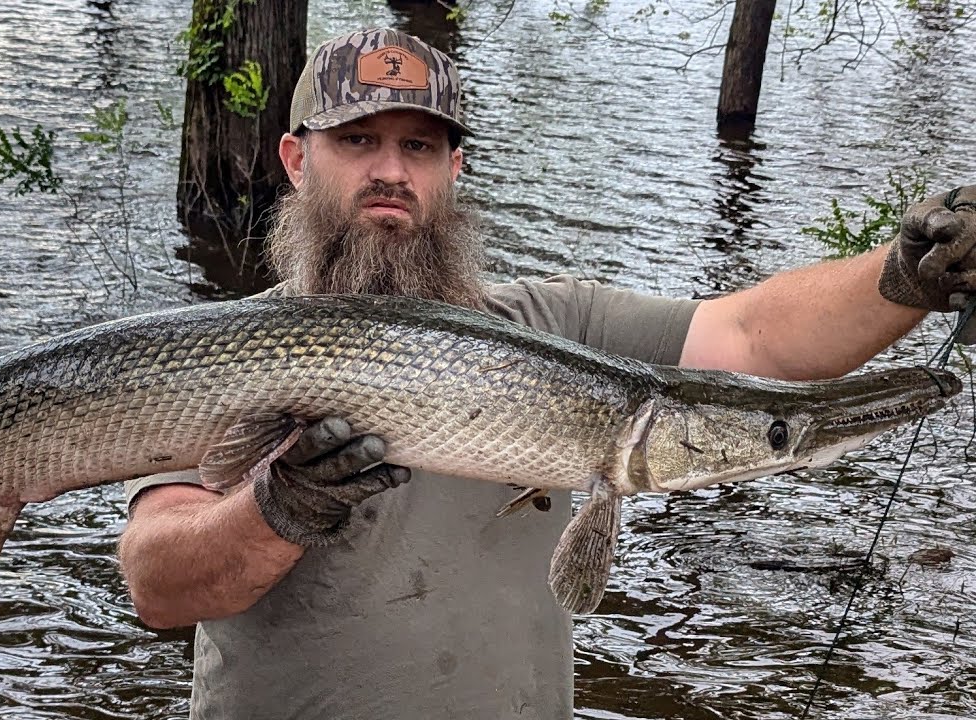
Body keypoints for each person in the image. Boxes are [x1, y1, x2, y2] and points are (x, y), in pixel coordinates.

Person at [118, 27, 976, 719]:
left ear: (453, 172)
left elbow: (755, 341)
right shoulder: (230, 345)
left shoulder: (557, 325)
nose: (391, 171)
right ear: (298, 161)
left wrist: (905, 275)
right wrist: (277, 508)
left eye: (419, 146)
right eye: (358, 140)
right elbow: (158, 584)